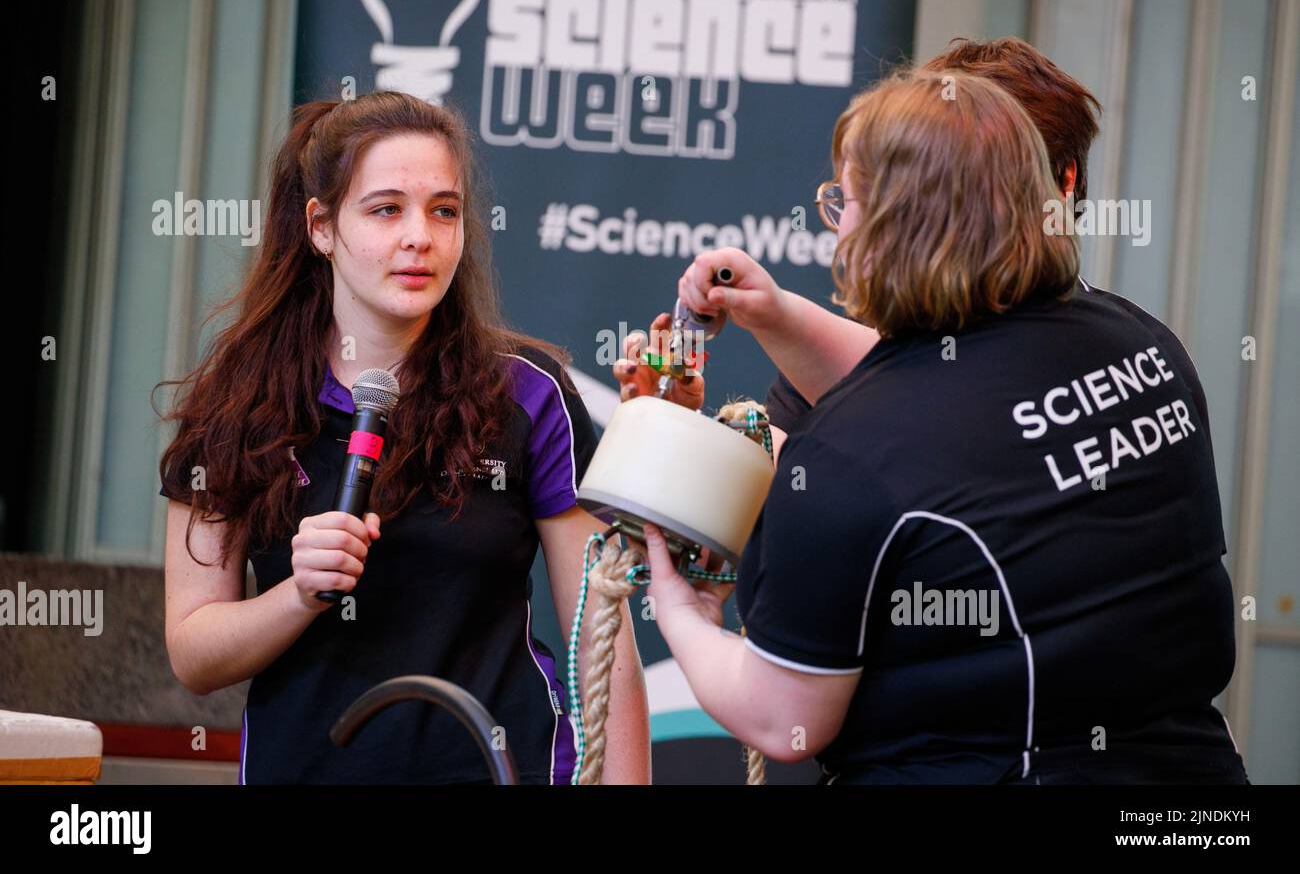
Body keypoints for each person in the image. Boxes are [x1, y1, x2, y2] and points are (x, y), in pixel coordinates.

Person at [627, 66, 1247, 783]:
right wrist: (779, 313)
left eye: (845, 202)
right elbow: (974, 415)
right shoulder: (1142, 344)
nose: (838, 224)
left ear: (894, 227)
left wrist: (681, 610)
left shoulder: (848, 458)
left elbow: (782, 717)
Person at [156, 91, 649, 784]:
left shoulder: (529, 394)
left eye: (443, 210)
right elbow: (194, 652)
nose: (420, 235)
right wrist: (296, 593)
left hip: (500, 767)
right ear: (321, 227)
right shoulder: (235, 405)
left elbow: (601, 642)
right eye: (387, 209)